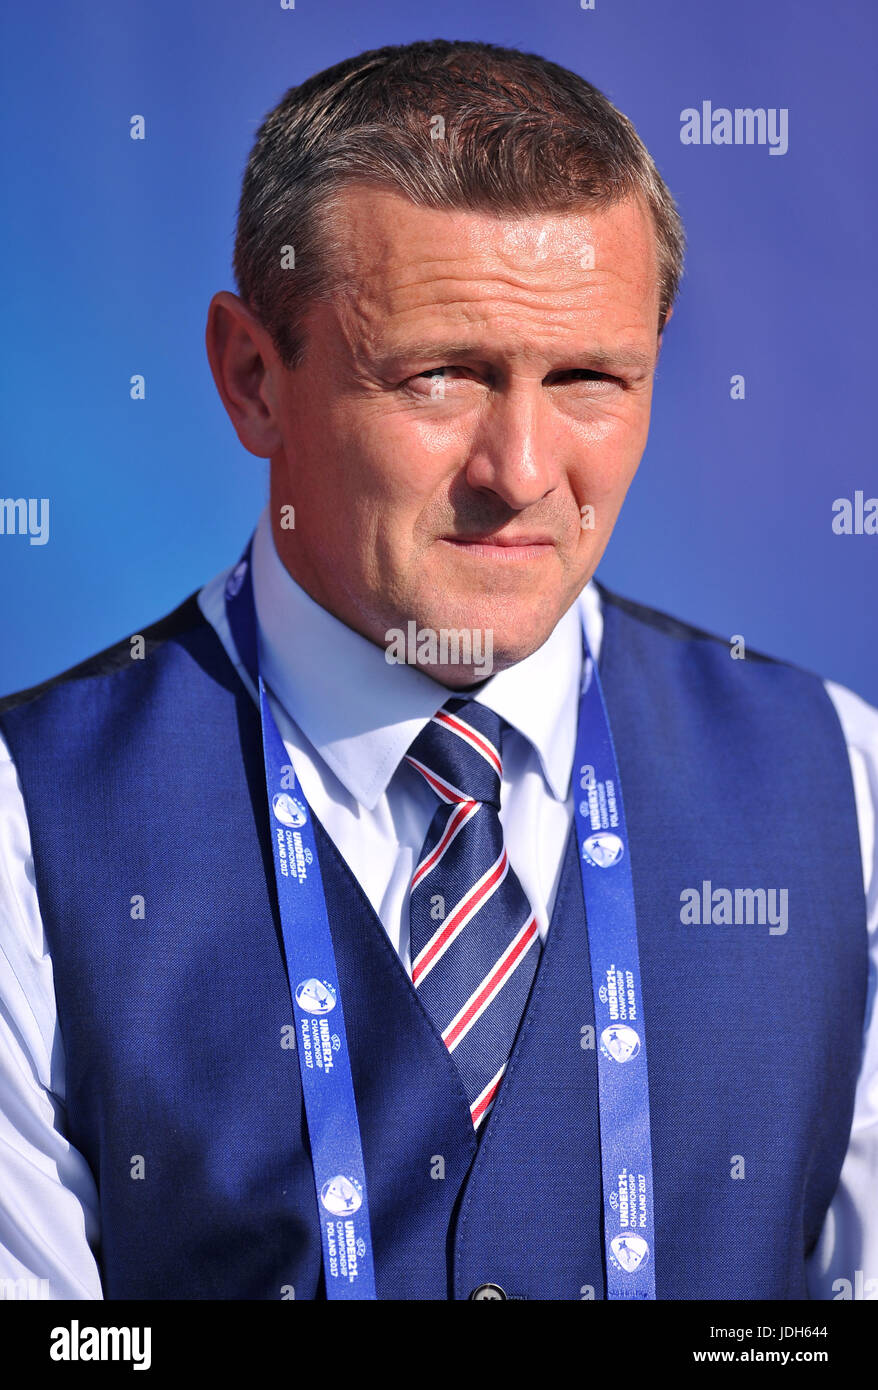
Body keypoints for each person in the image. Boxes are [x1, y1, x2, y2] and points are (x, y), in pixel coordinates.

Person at [0, 38, 875, 1302]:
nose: (518, 472)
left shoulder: (837, 791)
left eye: (586, 378)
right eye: (439, 376)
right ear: (253, 378)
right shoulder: (30, 828)